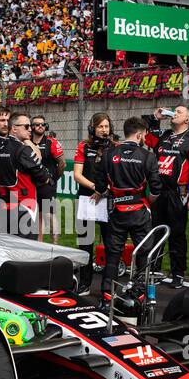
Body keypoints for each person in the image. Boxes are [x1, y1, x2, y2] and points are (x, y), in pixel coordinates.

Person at [91, 116, 162, 301]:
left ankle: (107, 293)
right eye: (145, 134)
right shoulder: (148, 156)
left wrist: (107, 191)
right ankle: (138, 293)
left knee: (113, 253)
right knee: (144, 252)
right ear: (139, 134)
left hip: (117, 210)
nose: (145, 137)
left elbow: (99, 186)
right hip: (139, 210)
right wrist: (148, 201)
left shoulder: (108, 154)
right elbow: (156, 189)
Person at [152, 105, 189, 287]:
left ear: (187, 120)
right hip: (158, 192)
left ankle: (178, 273)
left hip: (178, 193)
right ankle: (154, 270)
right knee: (156, 232)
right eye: (174, 110)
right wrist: (156, 118)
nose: (174, 113)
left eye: (179, 112)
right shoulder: (164, 135)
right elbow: (149, 140)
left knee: (177, 234)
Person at [0, 111, 51, 236]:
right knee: (26, 250)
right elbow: (44, 176)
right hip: (24, 207)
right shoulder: (23, 150)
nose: (31, 130)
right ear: (14, 129)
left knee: (7, 250)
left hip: (3, 206)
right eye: (27, 127)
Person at [72, 112, 114, 292]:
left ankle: (108, 287)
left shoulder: (115, 146)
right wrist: (96, 188)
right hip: (86, 198)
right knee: (85, 243)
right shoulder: (83, 146)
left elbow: (117, 174)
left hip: (108, 199)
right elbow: (77, 175)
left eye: (106, 126)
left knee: (111, 244)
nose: (104, 130)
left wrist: (104, 190)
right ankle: (85, 283)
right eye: (100, 126)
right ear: (93, 128)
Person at [30, 115, 65, 241]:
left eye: (43, 124)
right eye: (37, 124)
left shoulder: (51, 142)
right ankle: (39, 245)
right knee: (37, 215)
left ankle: (55, 244)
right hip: (31, 184)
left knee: (49, 215)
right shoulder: (26, 141)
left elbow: (62, 163)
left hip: (46, 185)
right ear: (31, 126)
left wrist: (54, 178)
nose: (40, 126)